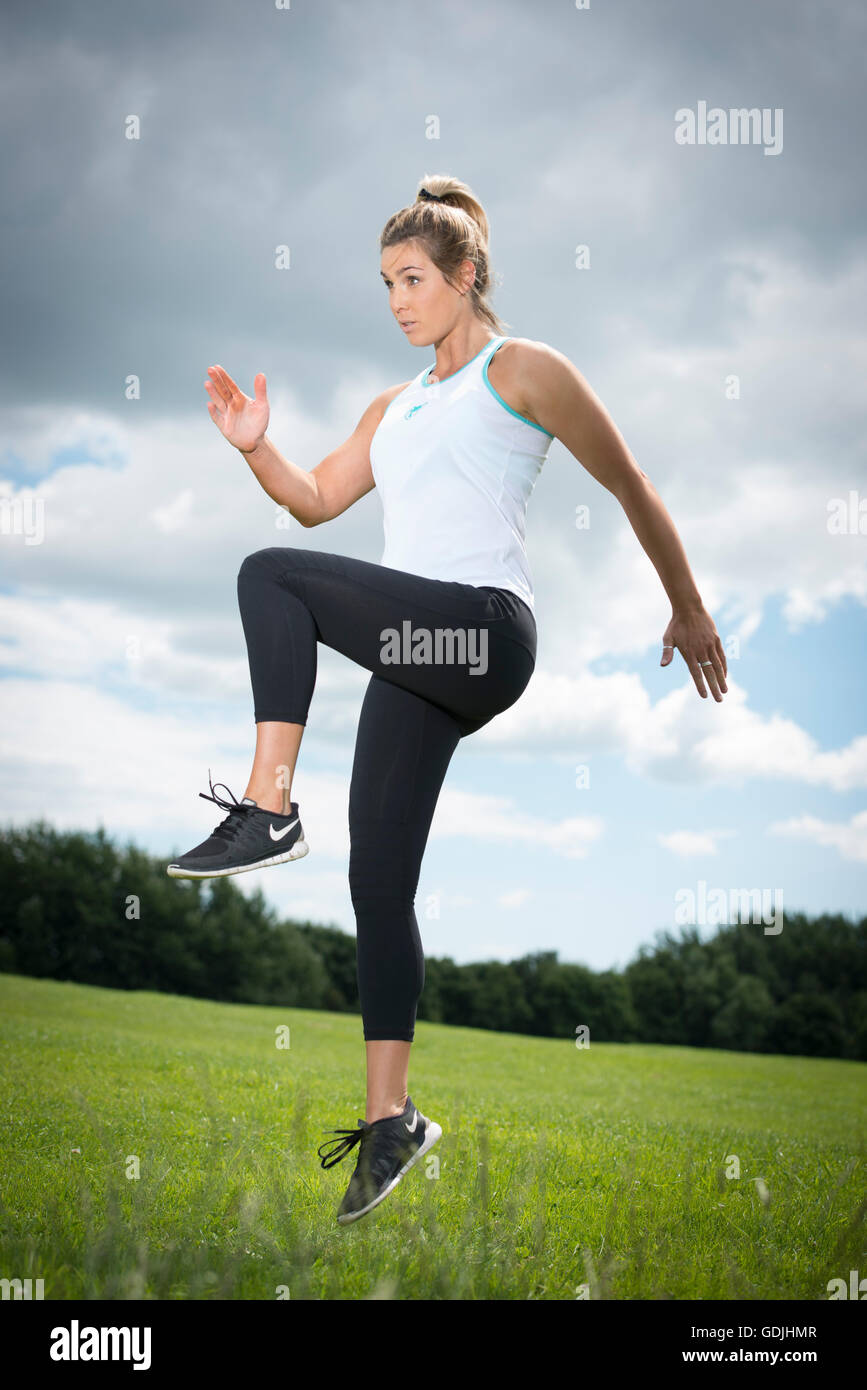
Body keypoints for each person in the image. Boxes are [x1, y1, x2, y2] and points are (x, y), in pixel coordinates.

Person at [165, 174, 728, 1225]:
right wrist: (257, 449)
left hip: (480, 630)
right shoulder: (394, 405)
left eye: (414, 279)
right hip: (416, 656)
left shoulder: (525, 369)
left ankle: (268, 806)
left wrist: (687, 608)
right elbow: (316, 498)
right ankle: (393, 1122)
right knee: (377, 878)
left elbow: (632, 483)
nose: (397, 301)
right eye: (385, 283)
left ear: (468, 275)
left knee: (270, 577)